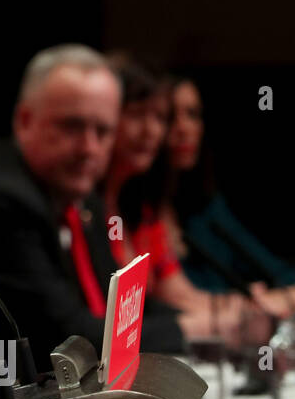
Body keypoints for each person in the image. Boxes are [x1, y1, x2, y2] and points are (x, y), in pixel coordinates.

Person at [0, 45, 194, 370]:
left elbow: (121, 306)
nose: (89, 148)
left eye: (103, 131)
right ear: (25, 120)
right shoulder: (2, 202)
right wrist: (190, 330)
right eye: (72, 127)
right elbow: (70, 339)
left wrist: (209, 323)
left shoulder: (79, 197)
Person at [101, 54, 253, 343]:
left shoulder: (141, 210)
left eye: (159, 117)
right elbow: (110, 322)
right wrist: (227, 317)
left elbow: (174, 298)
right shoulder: (90, 210)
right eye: (135, 114)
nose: (152, 131)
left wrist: (246, 307)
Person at [161, 76, 295, 312]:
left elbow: (276, 272)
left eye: (193, 114)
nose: (183, 127)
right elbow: (175, 304)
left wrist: (294, 294)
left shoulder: (206, 207)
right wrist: (253, 305)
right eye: (170, 116)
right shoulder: (136, 217)